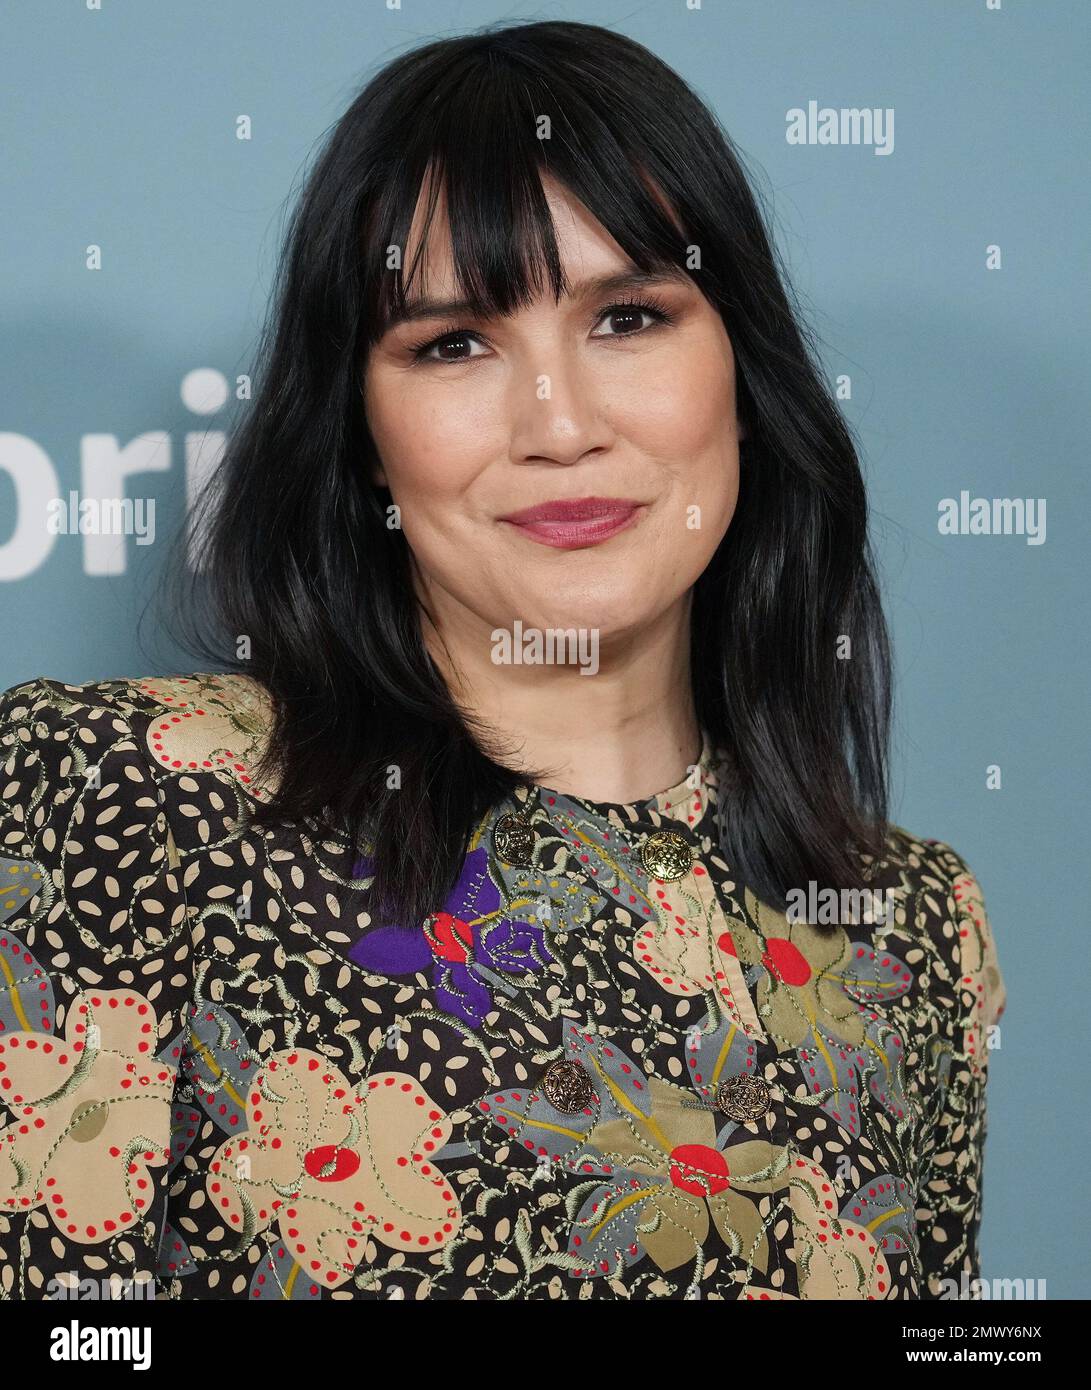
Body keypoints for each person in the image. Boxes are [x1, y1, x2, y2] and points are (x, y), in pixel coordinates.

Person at [0, 19, 1004, 1301]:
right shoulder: (132, 798)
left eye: (629, 317)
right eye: (453, 343)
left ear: (740, 374)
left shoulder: (913, 924)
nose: (559, 424)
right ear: (363, 431)